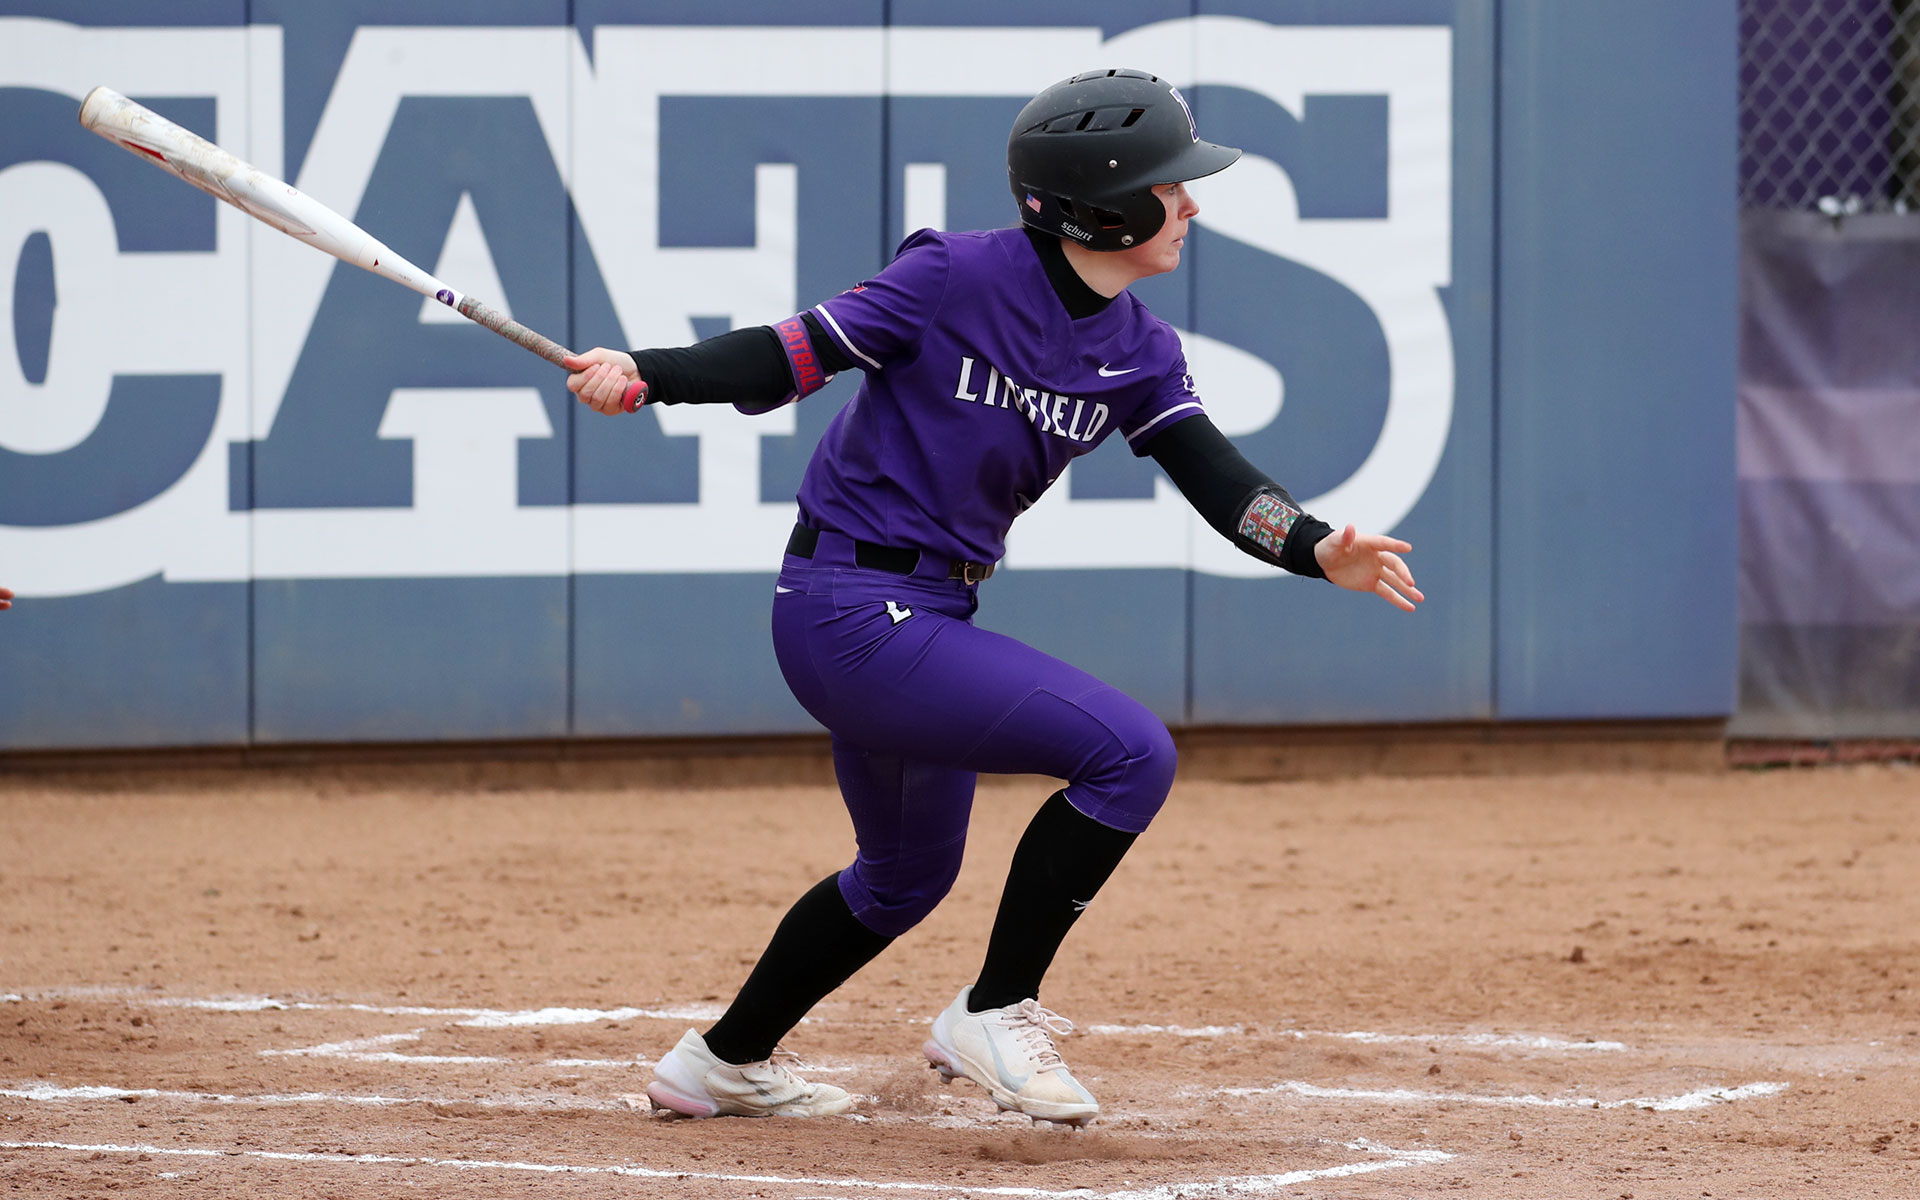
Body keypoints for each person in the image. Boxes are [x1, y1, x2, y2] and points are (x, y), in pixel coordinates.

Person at [564, 69, 1421, 1126]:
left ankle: (722, 1062)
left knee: (903, 877)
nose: (1191, 204)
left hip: (926, 615)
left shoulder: (1141, 349)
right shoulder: (954, 277)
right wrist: (649, 370)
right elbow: (794, 353)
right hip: (848, 611)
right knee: (1132, 753)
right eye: (1171, 185)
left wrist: (1313, 545)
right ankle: (998, 1005)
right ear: (1099, 206)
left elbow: (1218, 475)